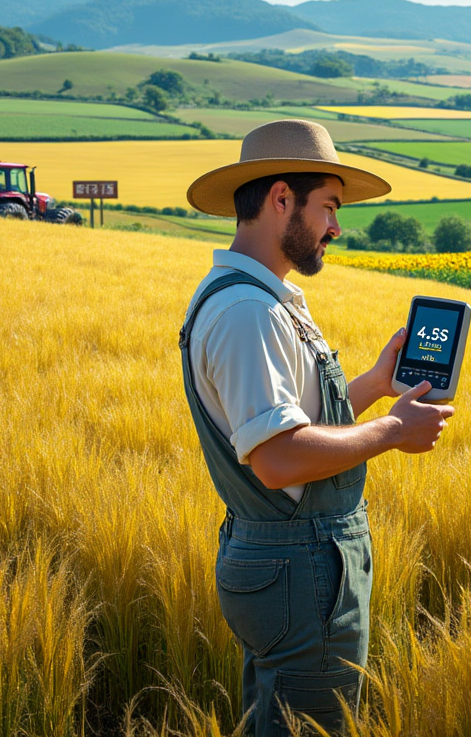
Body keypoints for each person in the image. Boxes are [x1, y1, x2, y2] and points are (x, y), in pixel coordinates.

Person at [179, 119, 454, 735]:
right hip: (300, 569)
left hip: (287, 564)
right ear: (282, 200)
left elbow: (289, 423)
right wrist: (391, 431)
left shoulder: (257, 297)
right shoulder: (250, 311)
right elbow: (278, 458)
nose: (336, 226)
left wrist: (373, 387)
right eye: (328, 206)